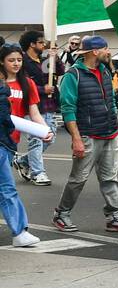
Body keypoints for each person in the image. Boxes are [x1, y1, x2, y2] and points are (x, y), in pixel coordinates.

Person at [53, 36, 118, 235]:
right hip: (88, 135)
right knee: (78, 179)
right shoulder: (73, 75)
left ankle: (114, 216)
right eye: (106, 48)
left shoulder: (105, 70)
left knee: (110, 178)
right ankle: (62, 214)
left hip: (109, 133)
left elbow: (111, 100)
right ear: (95, 51)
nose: (109, 52)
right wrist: (76, 138)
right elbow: (68, 108)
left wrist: (114, 120)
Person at [1, 44, 47, 247]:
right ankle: (19, 231)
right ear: (2, 61)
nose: (16, 64)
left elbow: (34, 112)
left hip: (11, 142)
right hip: (2, 141)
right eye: (11, 60)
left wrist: (45, 129)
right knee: (7, 188)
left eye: (19, 60)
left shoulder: (26, 84)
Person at [16, 30, 59, 186]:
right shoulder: (23, 62)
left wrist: (55, 58)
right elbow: (23, 84)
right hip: (31, 106)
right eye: (41, 42)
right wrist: (42, 90)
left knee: (50, 137)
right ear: (32, 44)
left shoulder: (44, 60)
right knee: (36, 139)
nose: (44, 45)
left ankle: (23, 160)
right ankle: (38, 173)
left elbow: (58, 71)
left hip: (48, 105)